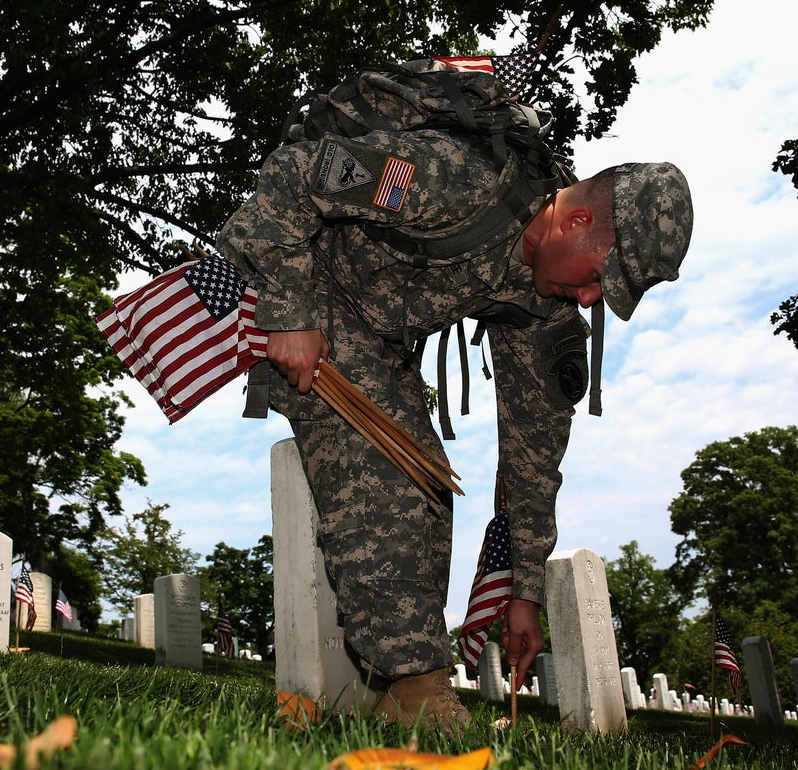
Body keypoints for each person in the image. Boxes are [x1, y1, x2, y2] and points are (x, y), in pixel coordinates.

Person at [217, 70, 693, 732]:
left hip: (380, 334)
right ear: (577, 219)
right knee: (388, 477)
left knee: (432, 482)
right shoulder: (451, 179)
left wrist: (524, 593)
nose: (590, 299)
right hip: (308, 284)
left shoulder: (543, 304)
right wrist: (290, 313)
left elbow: (534, 454)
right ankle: (418, 691)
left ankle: (396, 689)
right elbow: (299, 174)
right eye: (598, 277)